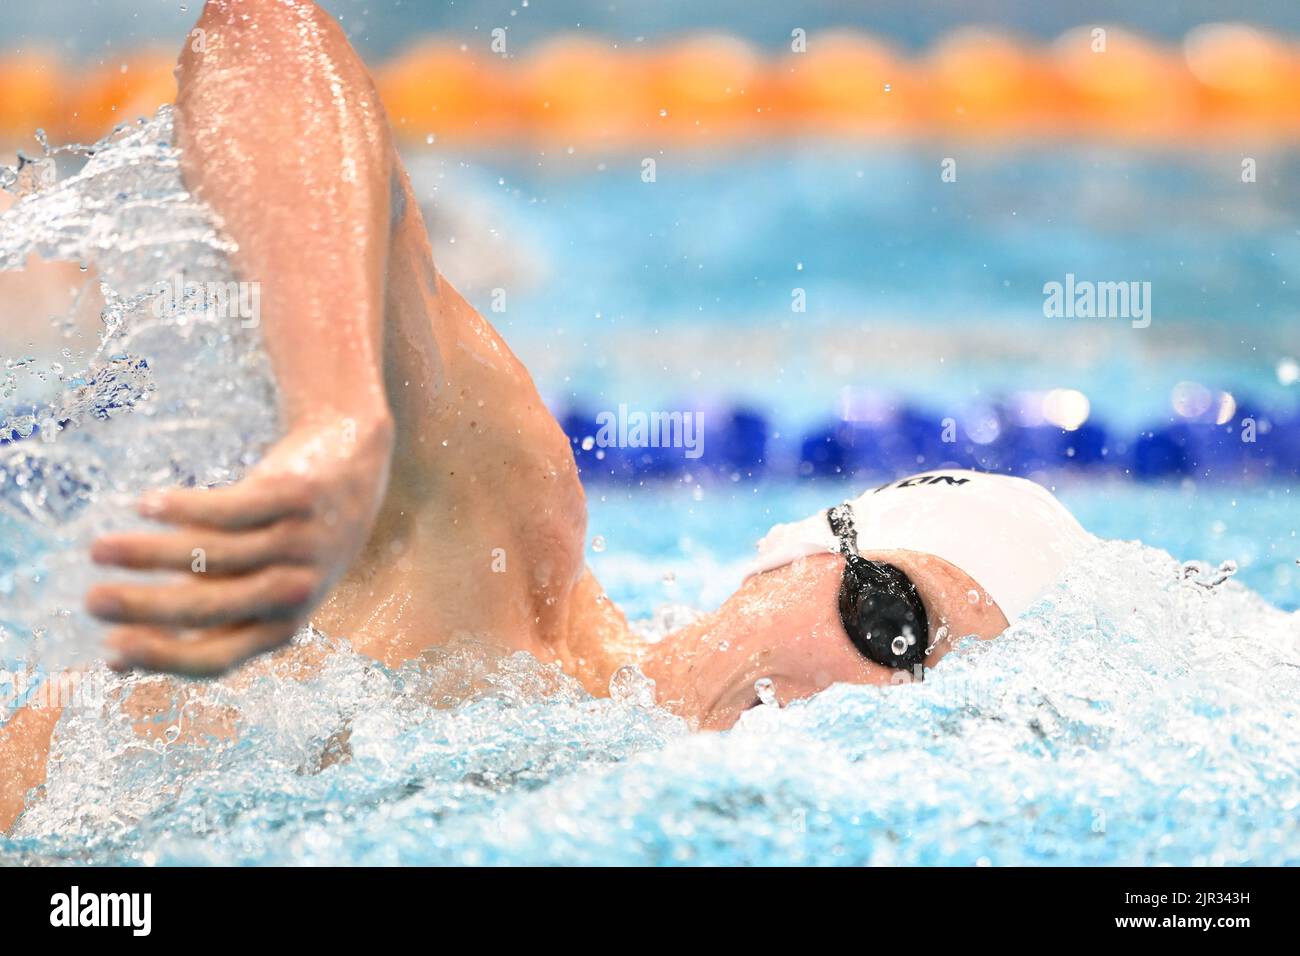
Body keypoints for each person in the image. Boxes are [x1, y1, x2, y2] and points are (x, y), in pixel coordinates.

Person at [0, 0, 1092, 830]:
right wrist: (339, 413)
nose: (869, 701)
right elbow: (259, 35)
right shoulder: (497, 550)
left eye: (935, 703)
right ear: (788, 561)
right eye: (889, 618)